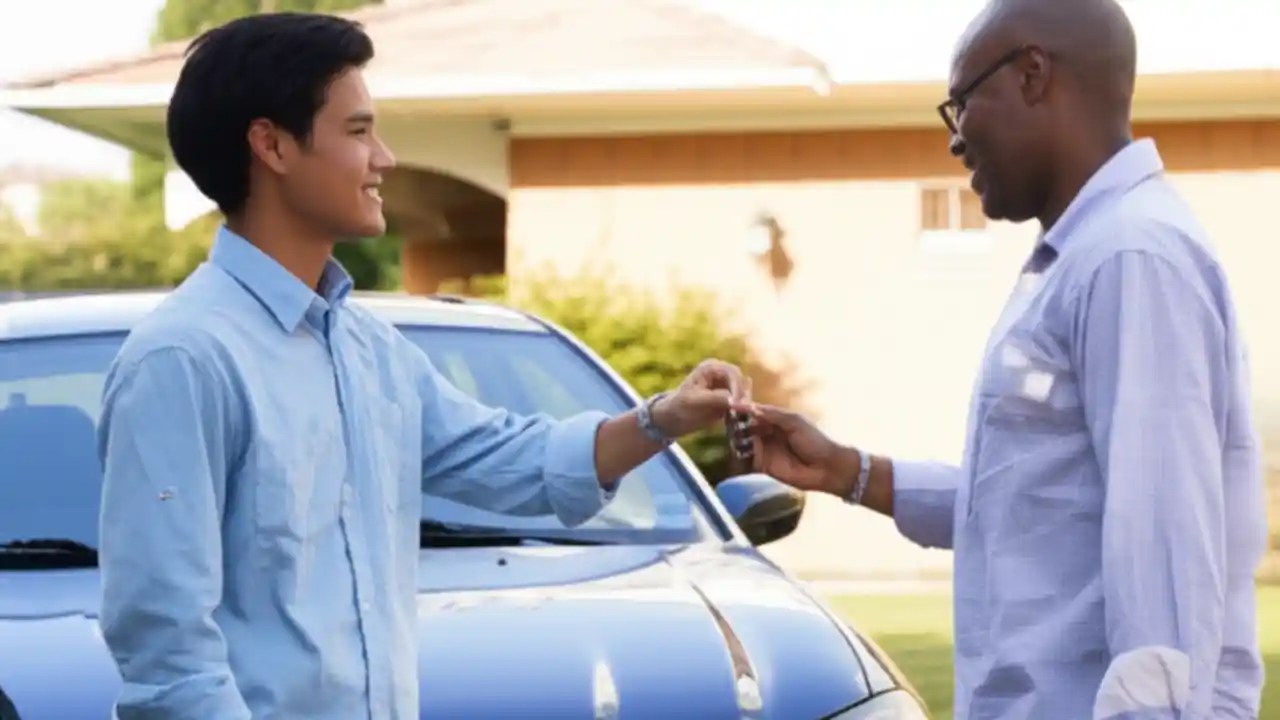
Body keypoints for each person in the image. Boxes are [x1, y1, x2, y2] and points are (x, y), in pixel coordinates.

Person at [96, 12, 751, 720]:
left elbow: (511, 459)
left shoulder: (369, 352)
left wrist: (663, 418)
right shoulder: (182, 361)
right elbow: (169, 657)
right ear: (272, 145)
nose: (385, 158)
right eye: (357, 131)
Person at [745, 0, 1267, 718]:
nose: (956, 142)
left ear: (1032, 74)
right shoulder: (1077, 261)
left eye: (961, 104)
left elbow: (1163, 560)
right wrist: (849, 472)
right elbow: (1034, 506)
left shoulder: (1130, 259)